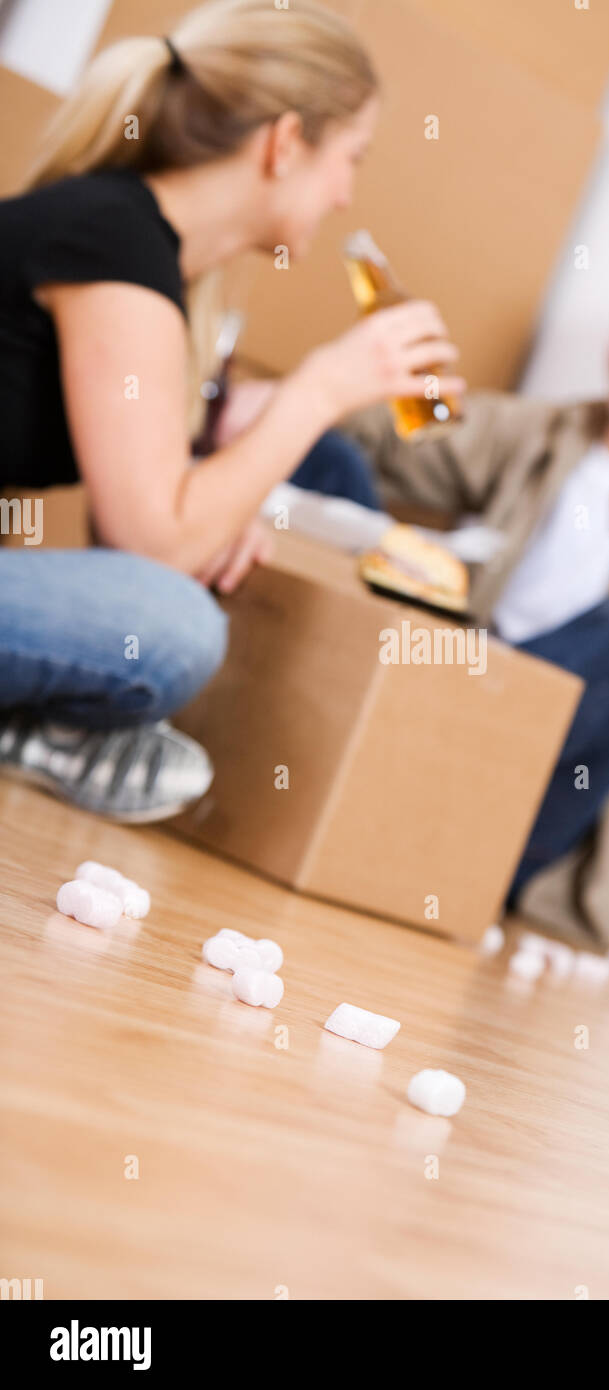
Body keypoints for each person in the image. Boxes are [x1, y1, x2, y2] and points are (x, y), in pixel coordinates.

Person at [0, 0, 462, 820]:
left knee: (160, 606)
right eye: (349, 158)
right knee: (170, 625)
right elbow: (153, 546)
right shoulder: (114, 242)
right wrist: (317, 391)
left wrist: (214, 510)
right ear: (286, 144)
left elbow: (136, 532)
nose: (347, 197)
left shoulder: (139, 247)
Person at [320, 241, 609, 948]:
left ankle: (398, 797)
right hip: (450, 701)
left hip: (526, 816)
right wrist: (309, 398)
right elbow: (390, 433)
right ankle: (369, 773)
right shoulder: (546, 432)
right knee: (328, 459)